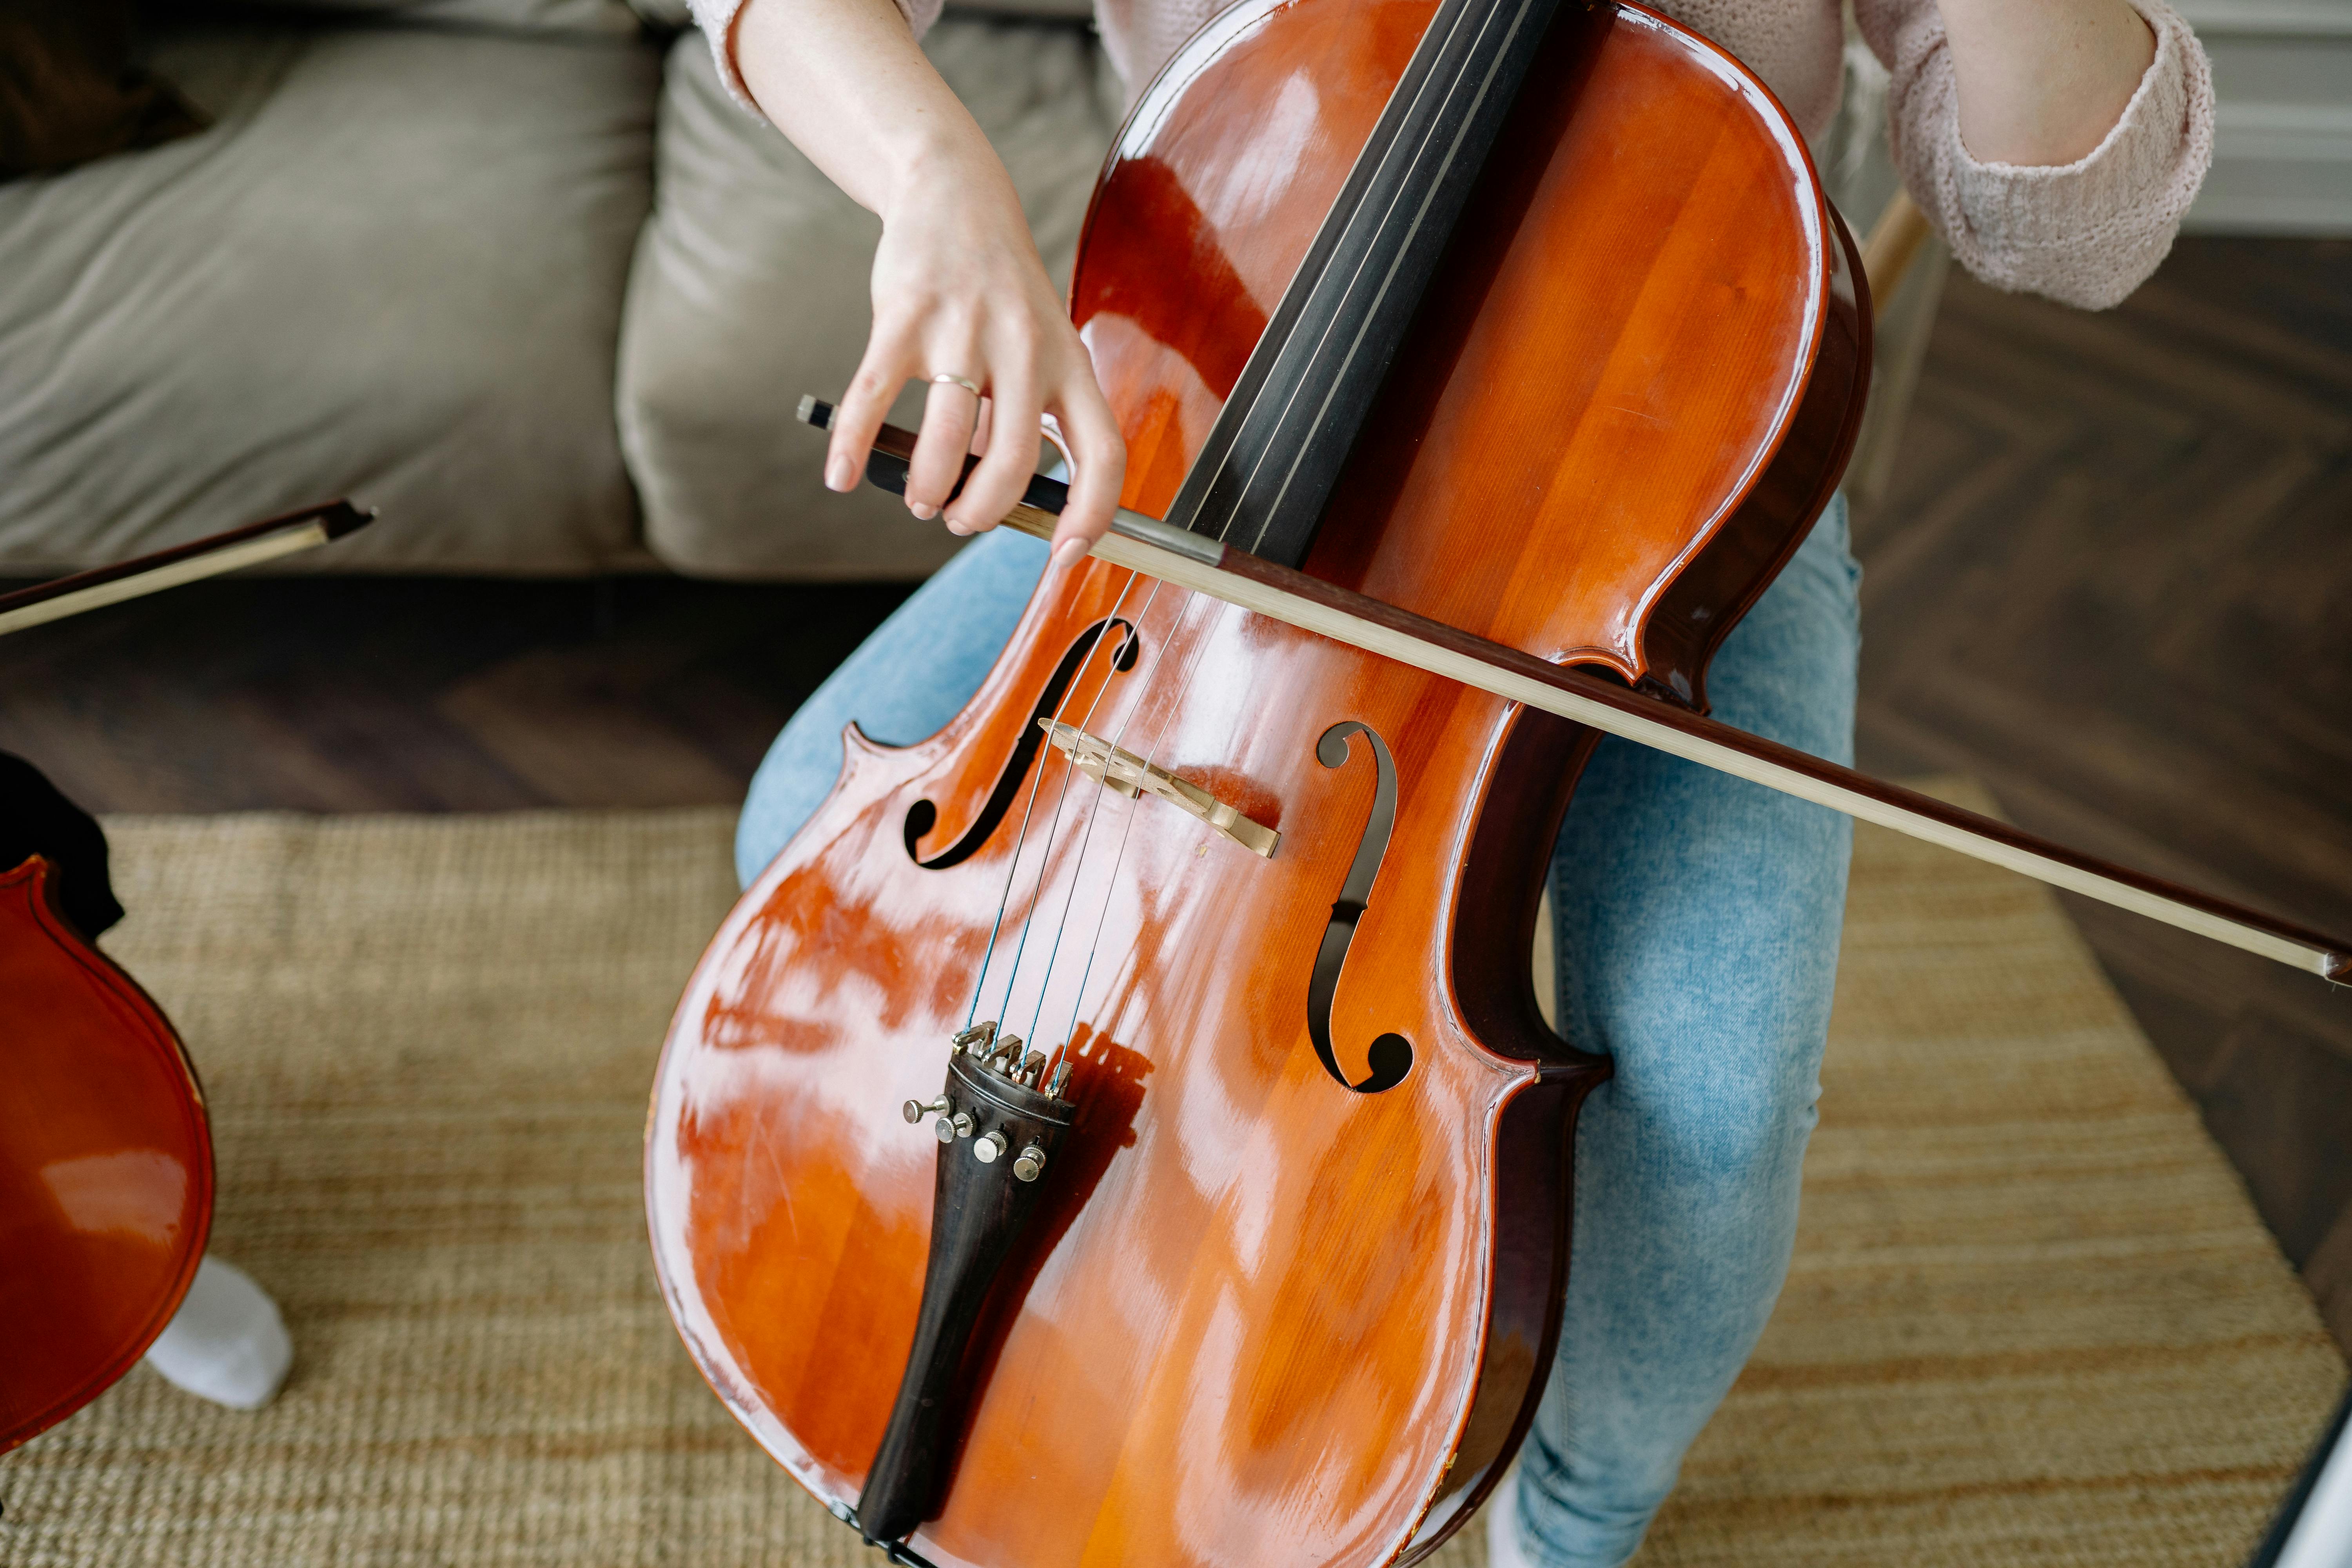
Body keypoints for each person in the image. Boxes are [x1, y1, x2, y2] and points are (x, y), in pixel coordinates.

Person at [684, 0, 2214, 1561]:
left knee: (1711, 1111)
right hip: (1232, 406)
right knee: (820, 817)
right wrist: (935, 169)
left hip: (1673, 442)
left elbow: (2070, 231)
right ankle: (1126, 1308)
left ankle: (1576, 1504)